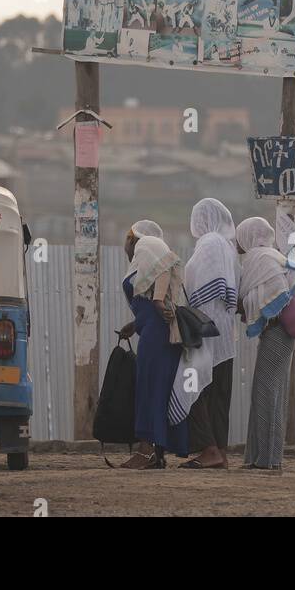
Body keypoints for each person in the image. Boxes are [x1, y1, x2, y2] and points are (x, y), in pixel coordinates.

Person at [118, 223, 188, 469]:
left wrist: (158, 300)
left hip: (157, 333)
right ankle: (156, 453)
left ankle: (146, 451)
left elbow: (166, 265)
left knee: (149, 386)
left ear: (133, 238)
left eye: (126, 240)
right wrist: (135, 324)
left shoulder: (148, 244)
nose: (125, 247)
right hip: (152, 328)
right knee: (157, 388)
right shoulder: (143, 260)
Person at [236, 217, 295, 470]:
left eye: (240, 236)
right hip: (277, 332)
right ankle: (261, 456)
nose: (237, 242)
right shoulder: (267, 255)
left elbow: (278, 291)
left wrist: (260, 310)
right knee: (270, 391)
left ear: (249, 236)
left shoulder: (261, 257)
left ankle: (268, 458)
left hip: (277, 331)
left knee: (266, 392)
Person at [180, 199, 239, 470]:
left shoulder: (209, 243)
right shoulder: (227, 246)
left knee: (194, 387)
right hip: (224, 329)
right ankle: (221, 453)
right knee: (219, 392)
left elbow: (202, 284)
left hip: (205, 326)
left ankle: (209, 449)